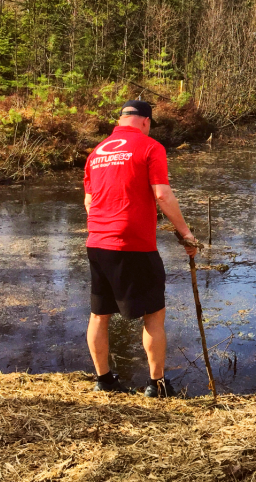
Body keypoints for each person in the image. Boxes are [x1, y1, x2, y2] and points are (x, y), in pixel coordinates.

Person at [83, 100, 197, 397]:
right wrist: (185, 232)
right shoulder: (150, 147)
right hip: (133, 244)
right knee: (153, 314)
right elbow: (162, 194)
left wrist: (105, 225)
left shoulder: (97, 152)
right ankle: (156, 385)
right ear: (146, 121)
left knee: (99, 315)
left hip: (97, 242)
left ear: (121, 120)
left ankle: (104, 380)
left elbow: (89, 201)